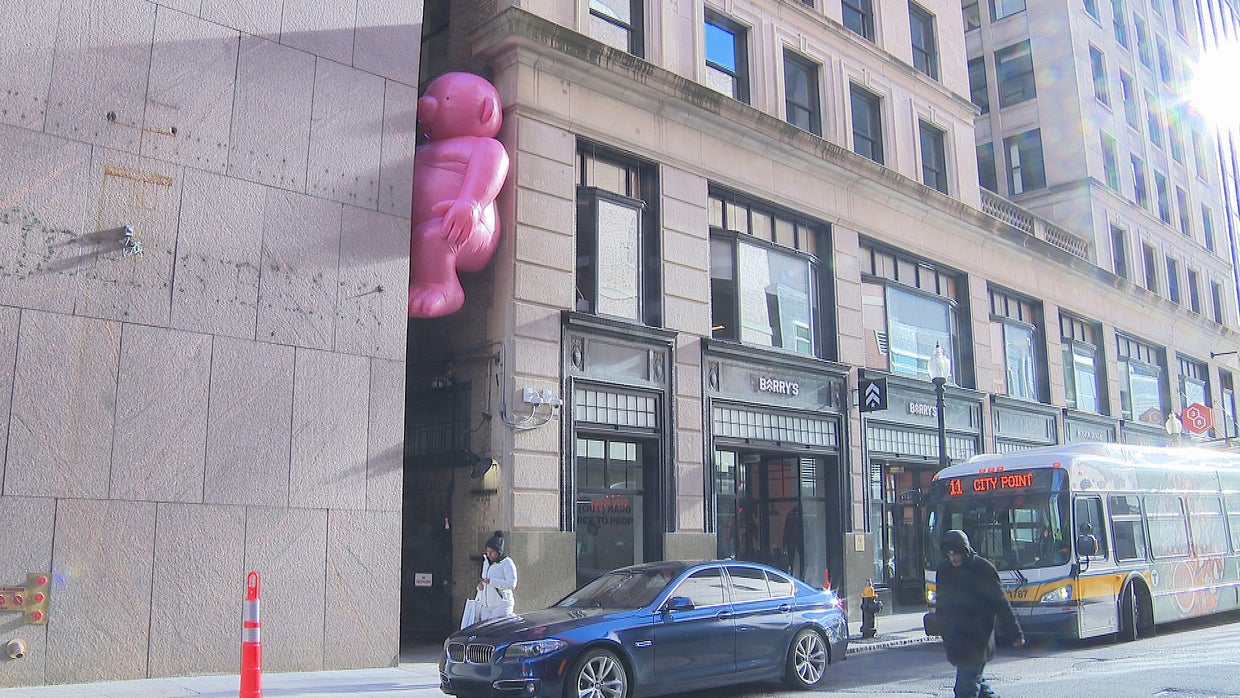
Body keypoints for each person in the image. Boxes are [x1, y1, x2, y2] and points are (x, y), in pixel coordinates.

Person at [936, 529, 1025, 698]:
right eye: (949, 554)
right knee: (978, 685)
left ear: (965, 550)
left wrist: (1015, 633)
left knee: (965, 690)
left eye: (957, 554)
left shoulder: (983, 569)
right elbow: (942, 604)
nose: (953, 558)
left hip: (978, 639)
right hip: (957, 639)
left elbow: (1001, 603)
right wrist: (944, 631)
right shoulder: (944, 571)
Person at [476, 530, 518, 622]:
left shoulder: (507, 563)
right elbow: (484, 581)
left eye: (492, 552)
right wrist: (480, 587)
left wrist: (491, 581)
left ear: (498, 552)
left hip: (502, 606)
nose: (489, 554)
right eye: (487, 551)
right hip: (486, 607)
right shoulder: (486, 563)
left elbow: (512, 584)